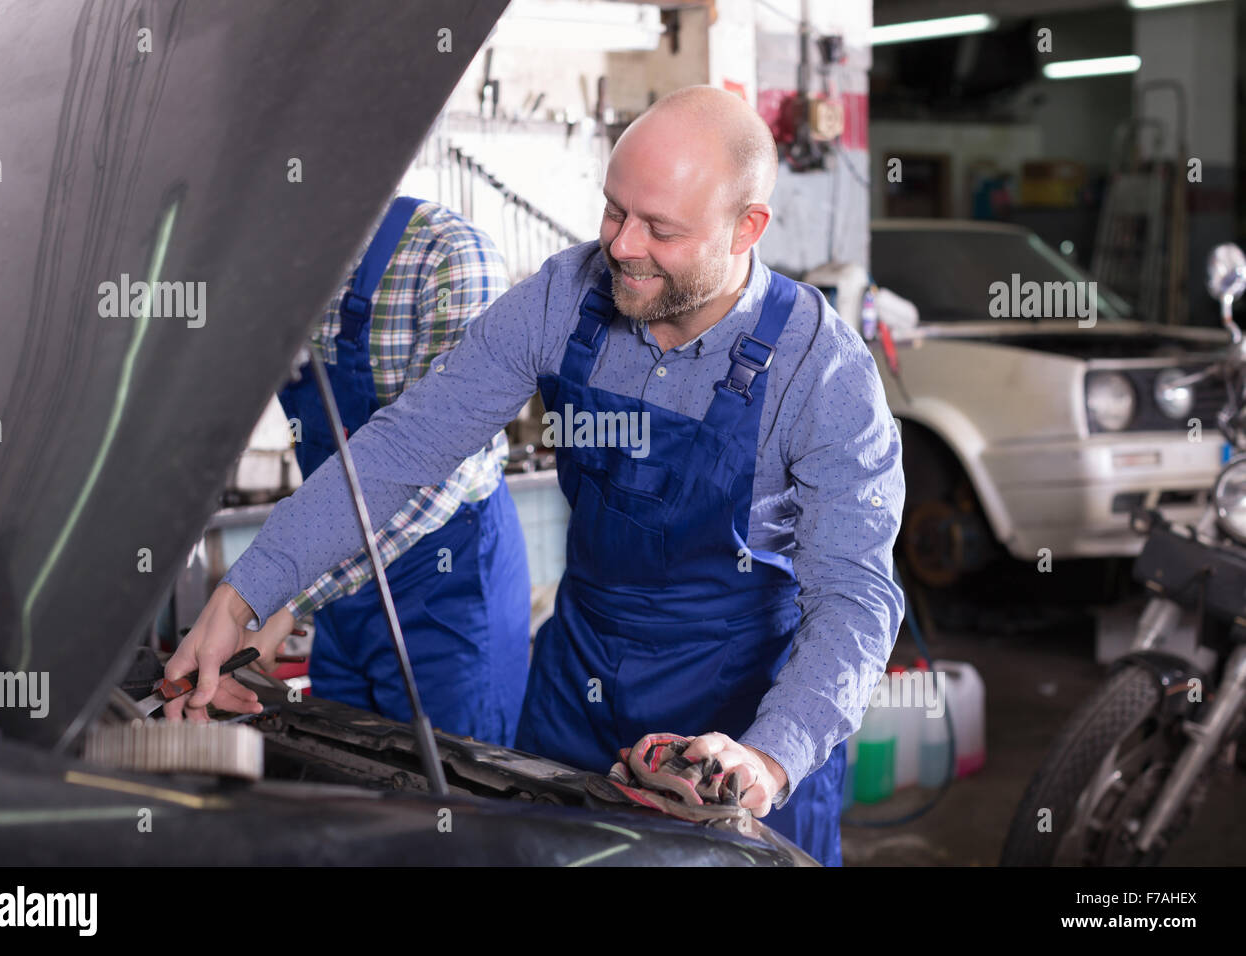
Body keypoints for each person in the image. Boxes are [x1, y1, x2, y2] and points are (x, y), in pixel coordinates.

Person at [168, 86, 904, 866]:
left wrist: (769, 757)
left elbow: (855, 600)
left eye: (660, 228)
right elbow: (407, 446)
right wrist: (251, 587)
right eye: (614, 210)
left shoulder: (822, 373)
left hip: (742, 717)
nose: (621, 246)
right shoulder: (565, 295)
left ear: (747, 227)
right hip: (577, 692)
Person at [200, 196, 531, 746]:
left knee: (456, 792)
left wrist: (283, 599)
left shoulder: (448, 258)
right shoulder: (269, 270)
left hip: (444, 580)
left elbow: (433, 477)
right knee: (345, 767)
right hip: (340, 579)